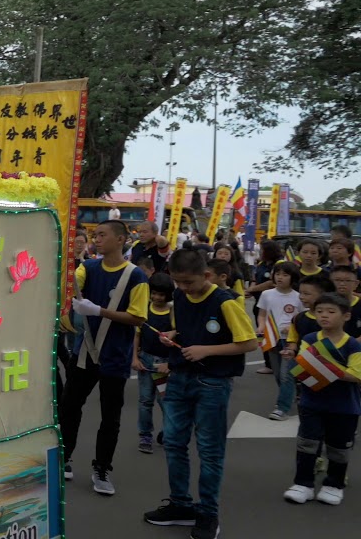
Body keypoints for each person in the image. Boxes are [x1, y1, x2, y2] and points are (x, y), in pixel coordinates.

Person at [143, 250, 257, 539]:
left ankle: (208, 513)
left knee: (209, 450)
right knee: (174, 442)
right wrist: (173, 335)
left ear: (207, 275)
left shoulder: (226, 302)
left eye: (188, 282)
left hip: (213, 383)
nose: (182, 288)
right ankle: (180, 504)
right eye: (177, 282)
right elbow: (184, 329)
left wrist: (206, 350)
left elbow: (248, 343)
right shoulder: (179, 297)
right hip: (180, 377)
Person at [61, 220, 149, 495]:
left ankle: (102, 469)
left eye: (102, 235)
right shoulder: (88, 267)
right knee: (69, 407)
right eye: (94, 235)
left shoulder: (136, 276)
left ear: (121, 239)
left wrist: (99, 311)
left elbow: (137, 317)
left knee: (110, 417)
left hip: (115, 357)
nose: (96, 239)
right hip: (84, 353)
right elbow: (72, 284)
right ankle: (64, 459)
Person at [282, 292, 361, 506]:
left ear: (346, 316)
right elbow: (302, 367)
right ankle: (303, 484)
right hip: (311, 402)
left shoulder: (353, 345)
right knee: (307, 443)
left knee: (339, 448)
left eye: (331, 312)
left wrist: (321, 366)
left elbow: (355, 375)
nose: (324, 316)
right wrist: (326, 369)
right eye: (319, 312)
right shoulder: (309, 339)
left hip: (344, 406)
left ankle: (334, 485)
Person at [134, 272, 176, 454]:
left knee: (166, 402)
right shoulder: (144, 309)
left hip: (164, 364)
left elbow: (177, 337)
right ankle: (145, 435)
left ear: (168, 295)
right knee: (145, 401)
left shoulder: (173, 312)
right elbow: (137, 334)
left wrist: (171, 364)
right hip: (145, 359)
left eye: (161, 294)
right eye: (154, 293)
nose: (156, 298)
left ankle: (168, 433)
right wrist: (134, 358)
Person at [259, 261, 304, 420]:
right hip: (272, 339)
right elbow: (262, 314)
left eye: (285, 275)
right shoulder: (267, 294)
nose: (280, 277)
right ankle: (291, 392)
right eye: (277, 274)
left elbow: (303, 317)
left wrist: (292, 328)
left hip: (290, 341)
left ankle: (281, 407)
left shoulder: (299, 296)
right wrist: (261, 326)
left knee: (286, 374)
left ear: (293, 277)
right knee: (278, 374)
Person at [249, 240, 285, 374]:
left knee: (277, 333)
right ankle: (269, 363)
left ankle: (278, 363)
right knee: (262, 332)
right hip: (260, 303)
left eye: (262, 250)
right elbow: (255, 278)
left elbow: (272, 282)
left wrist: (253, 289)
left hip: (275, 305)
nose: (260, 252)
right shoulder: (261, 264)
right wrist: (252, 288)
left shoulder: (279, 264)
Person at [327, 264, 361, 338]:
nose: (342, 284)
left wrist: (351, 345)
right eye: (337, 280)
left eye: (347, 280)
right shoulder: (323, 304)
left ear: (356, 283)